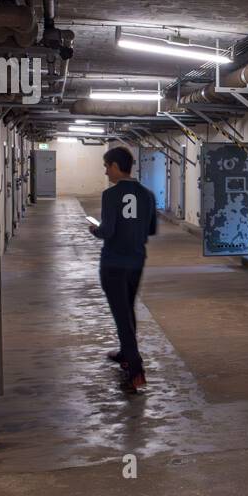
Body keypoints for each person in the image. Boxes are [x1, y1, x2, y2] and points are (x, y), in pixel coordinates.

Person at [89, 145, 157, 394]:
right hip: (136, 261)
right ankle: (125, 354)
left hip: (113, 263)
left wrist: (94, 229)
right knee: (127, 309)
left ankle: (135, 369)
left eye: (107, 166)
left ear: (117, 166)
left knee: (121, 316)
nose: (106, 172)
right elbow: (150, 230)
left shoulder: (111, 195)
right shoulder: (148, 194)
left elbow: (107, 231)